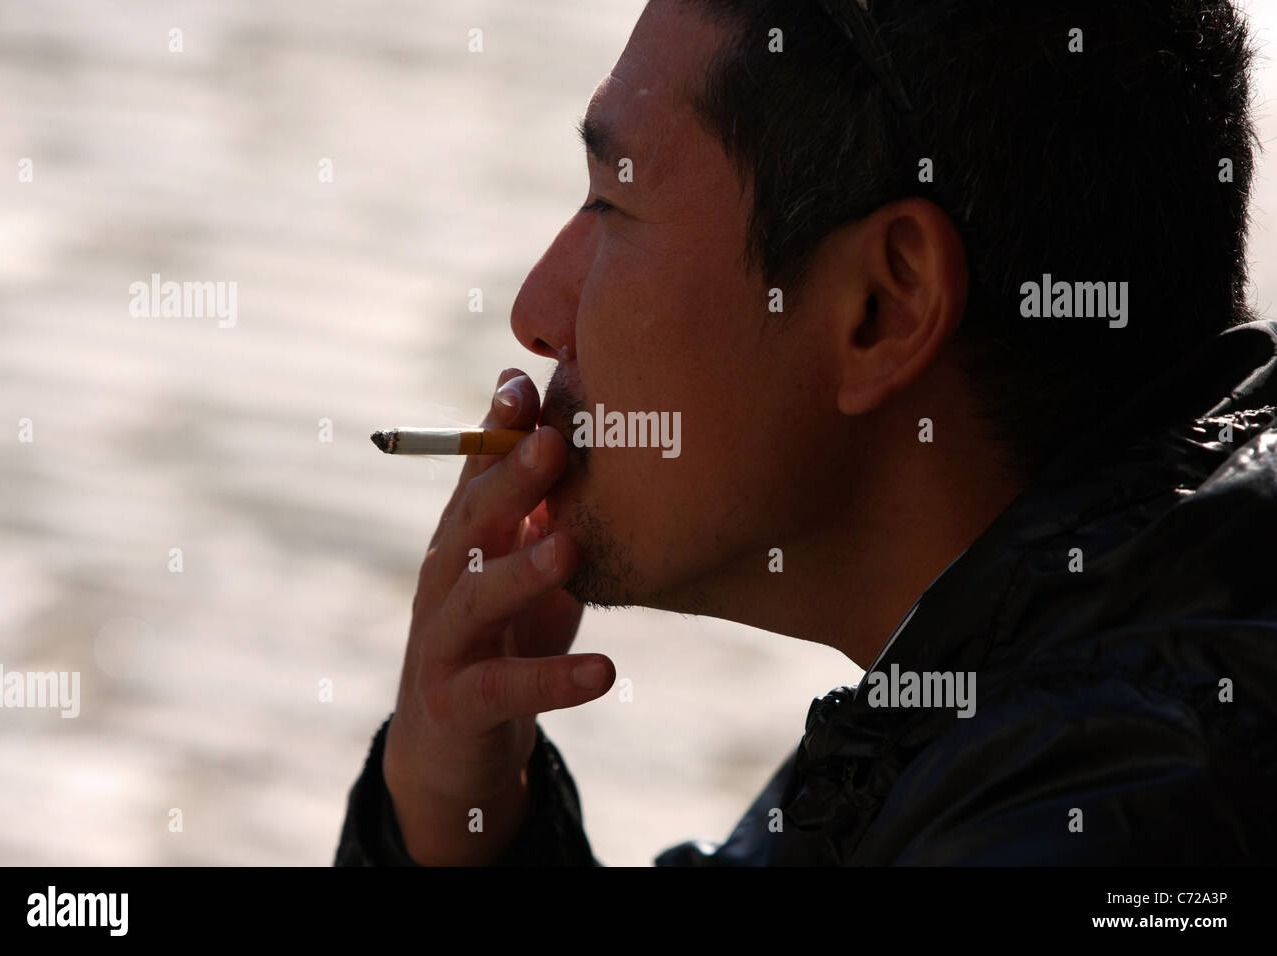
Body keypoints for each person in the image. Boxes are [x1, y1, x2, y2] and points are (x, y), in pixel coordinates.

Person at [334, 0, 1277, 865]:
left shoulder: (1131, 802)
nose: (536, 313)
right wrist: (458, 815)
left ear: (883, 307)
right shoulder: (1007, 710)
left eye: (613, 204)